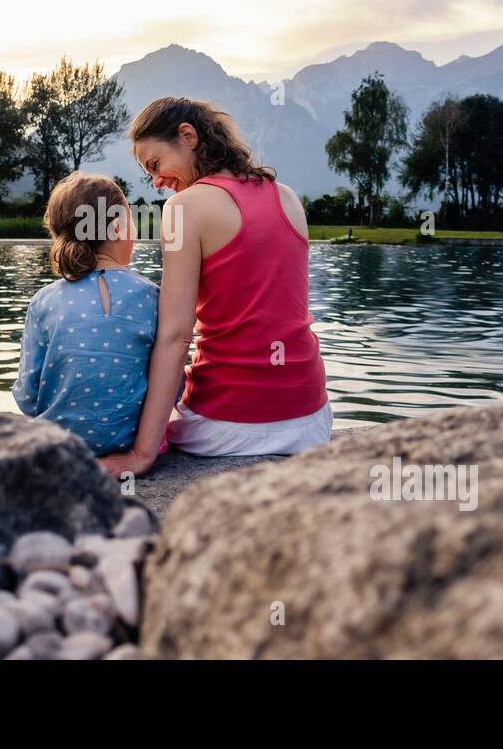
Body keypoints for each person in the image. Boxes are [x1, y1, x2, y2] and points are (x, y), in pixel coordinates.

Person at [98, 97, 330, 477]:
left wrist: (142, 454)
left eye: (155, 165)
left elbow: (175, 335)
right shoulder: (287, 196)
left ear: (187, 136)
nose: (157, 182)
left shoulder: (184, 207)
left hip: (227, 426)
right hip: (310, 421)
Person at [12, 171, 167, 457]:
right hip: (130, 442)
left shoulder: (44, 301)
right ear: (118, 226)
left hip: (59, 447)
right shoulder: (153, 297)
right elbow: (171, 383)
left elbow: (27, 394)